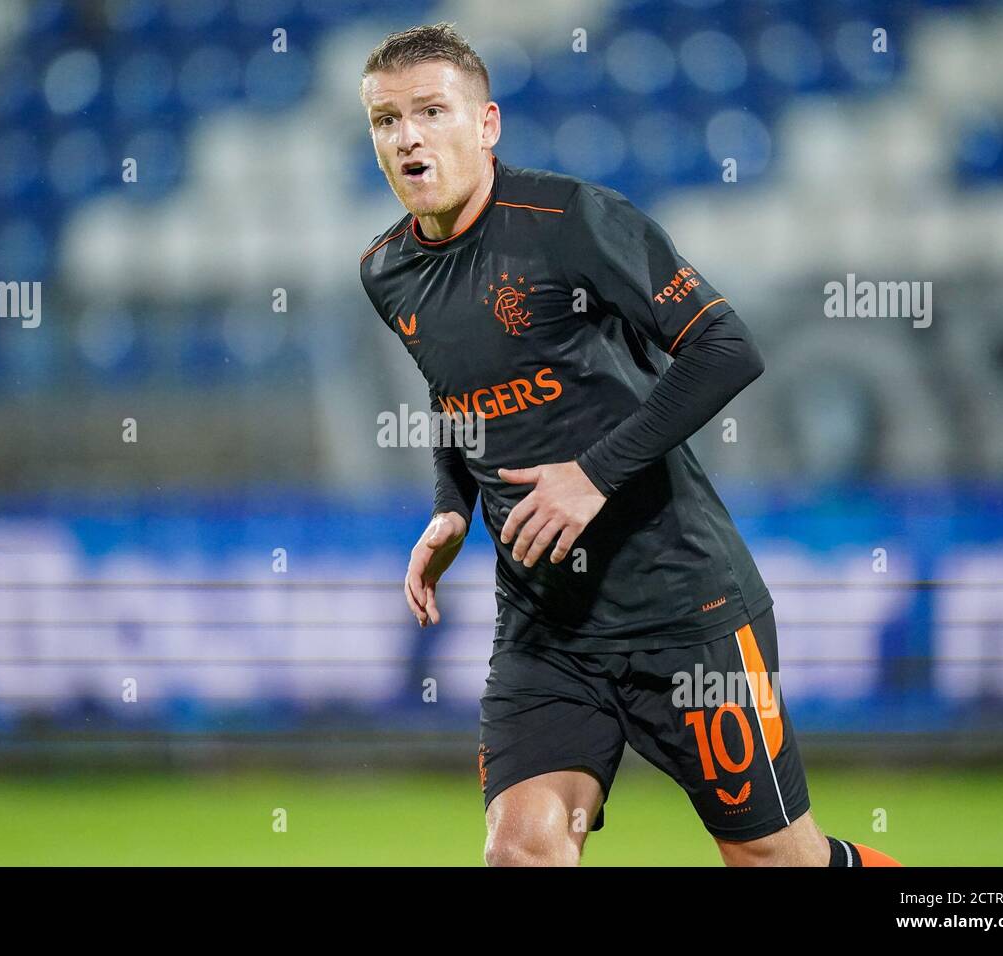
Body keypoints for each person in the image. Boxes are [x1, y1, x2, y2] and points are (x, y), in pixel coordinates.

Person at [358, 22, 900, 868]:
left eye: (431, 111)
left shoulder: (572, 221)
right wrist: (449, 506)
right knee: (522, 853)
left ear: (487, 123)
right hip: (546, 627)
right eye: (387, 121)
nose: (409, 138)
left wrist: (592, 476)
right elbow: (452, 391)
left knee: (776, 861)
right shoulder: (388, 270)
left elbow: (727, 348)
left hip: (685, 611)